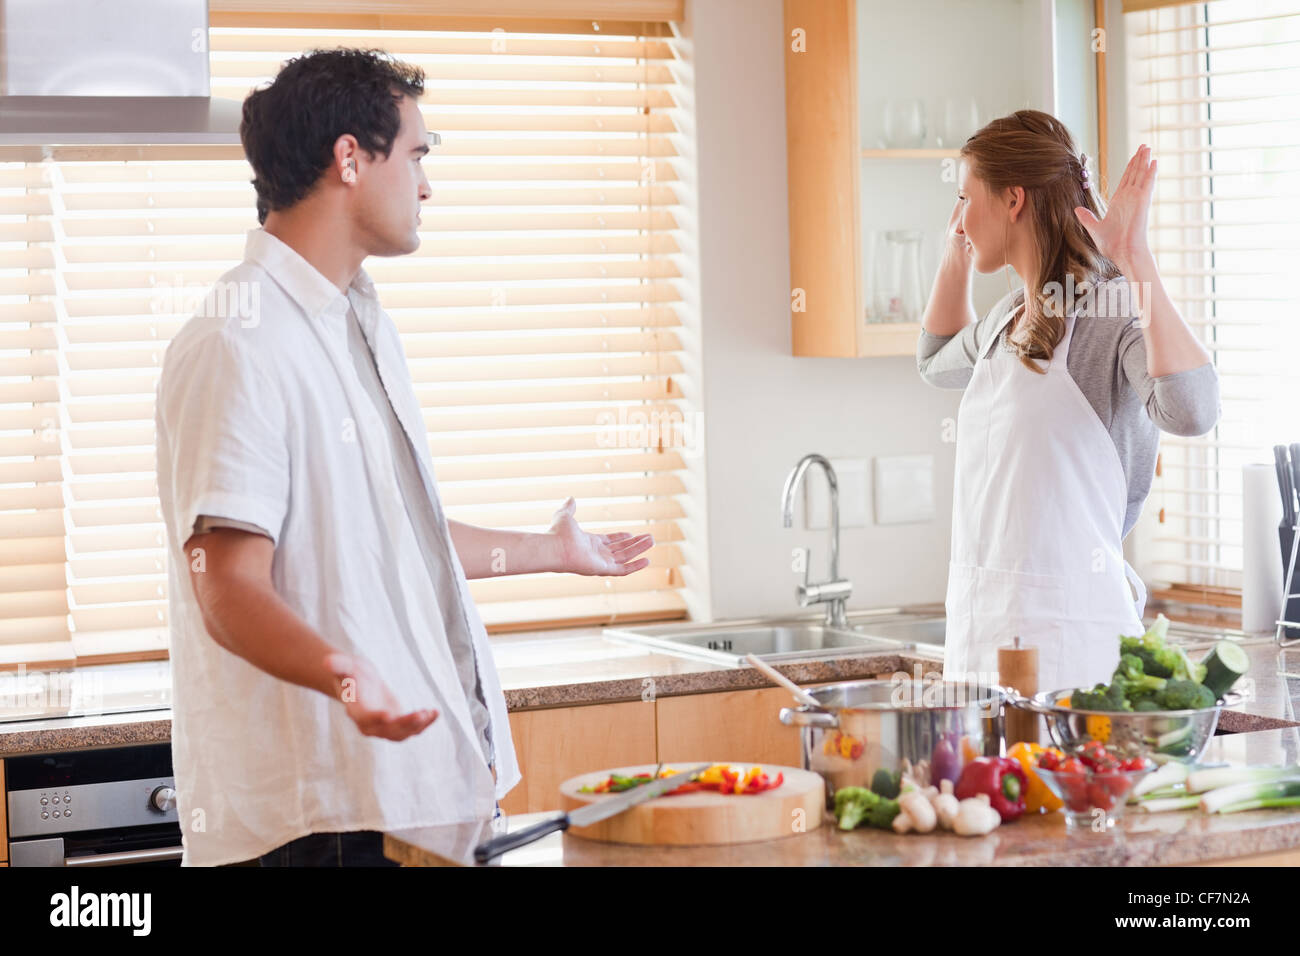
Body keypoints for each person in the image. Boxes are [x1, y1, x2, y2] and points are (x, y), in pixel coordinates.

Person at [154, 48, 655, 867]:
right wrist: (348, 675)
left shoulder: (354, 323)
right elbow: (225, 585)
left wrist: (552, 553)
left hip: (399, 804)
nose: (428, 185)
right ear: (350, 158)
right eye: (417, 156)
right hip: (314, 823)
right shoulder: (236, 341)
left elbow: (383, 534)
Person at [916, 110, 1220, 692]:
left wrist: (1136, 260)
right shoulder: (1009, 320)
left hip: (1073, 657)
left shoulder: (1110, 315)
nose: (959, 217)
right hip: (981, 643)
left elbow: (1192, 411)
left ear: (1012, 201)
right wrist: (957, 250)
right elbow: (934, 359)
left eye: (965, 198)